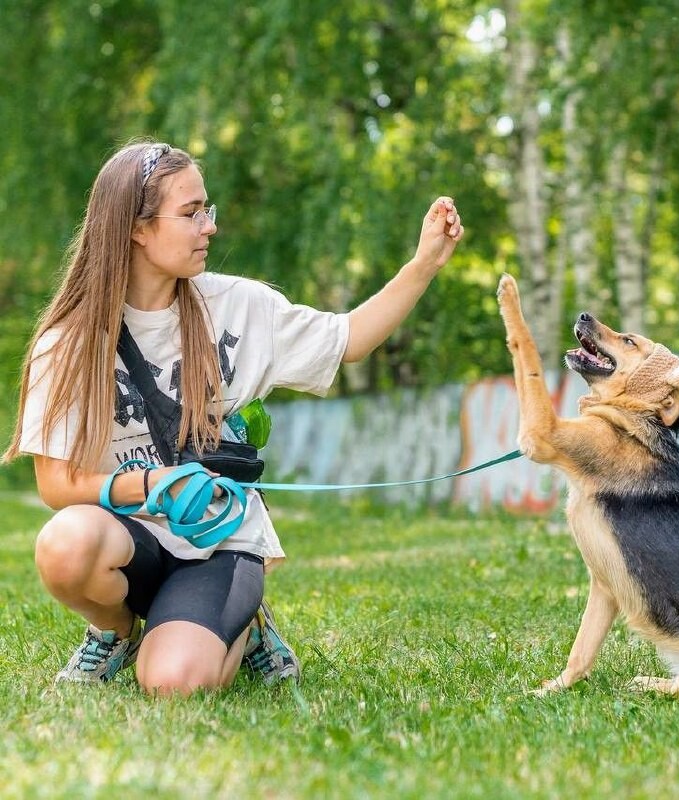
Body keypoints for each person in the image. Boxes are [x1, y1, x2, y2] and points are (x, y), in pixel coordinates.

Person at [2, 141, 463, 696]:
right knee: (63, 543)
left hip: (219, 541)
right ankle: (117, 632)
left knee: (173, 683)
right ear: (136, 228)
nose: (209, 227)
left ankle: (243, 622)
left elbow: (351, 340)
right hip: (131, 540)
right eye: (191, 213)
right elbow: (58, 485)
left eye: (208, 209)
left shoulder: (238, 307)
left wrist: (425, 264)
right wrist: (154, 485)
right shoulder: (69, 342)